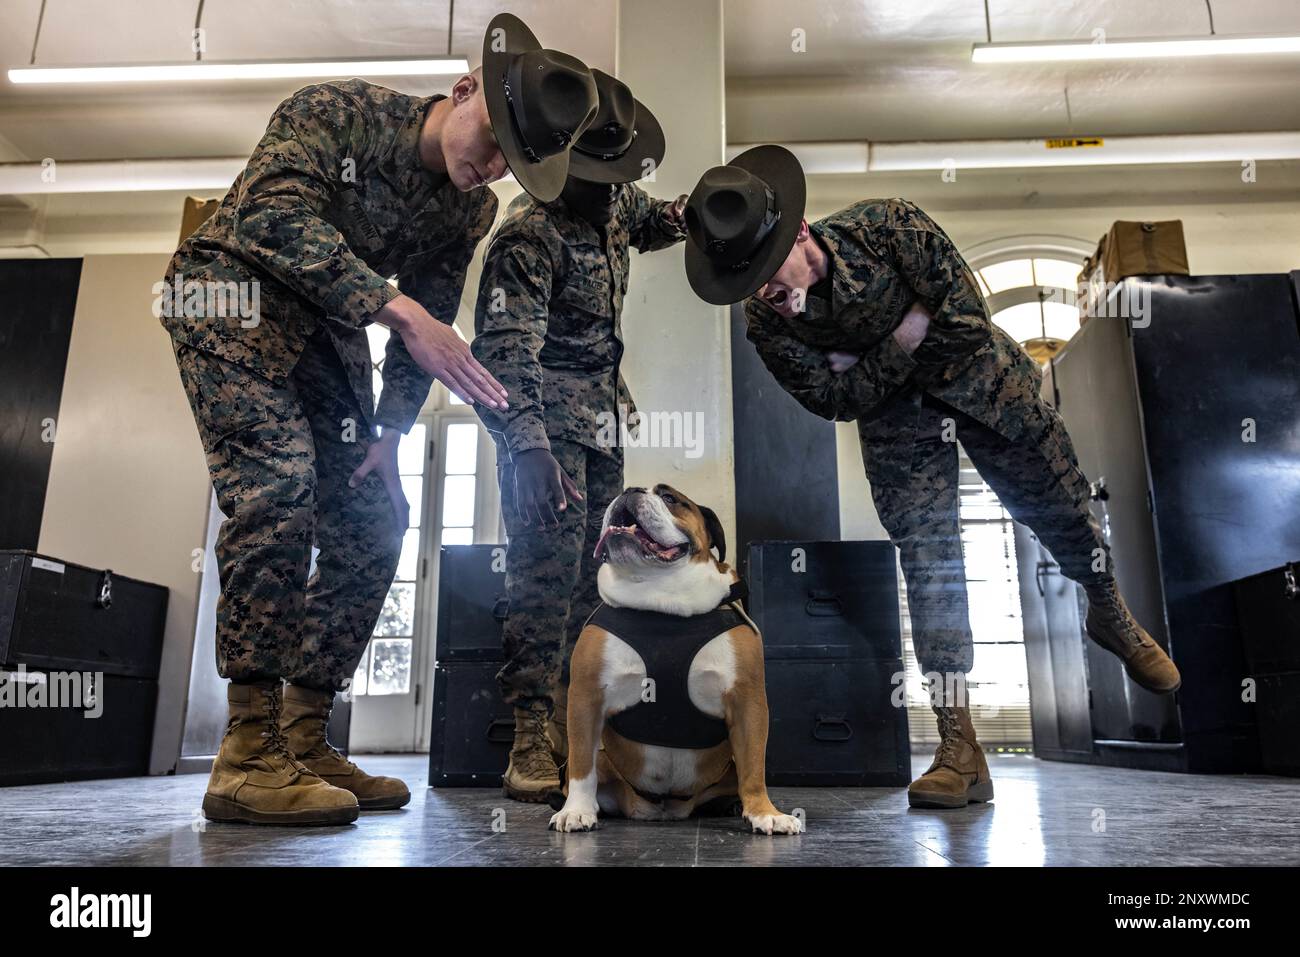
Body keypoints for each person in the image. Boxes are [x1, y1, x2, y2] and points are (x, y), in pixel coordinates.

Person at [162, 13, 599, 825]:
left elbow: (429, 321)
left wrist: (392, 433)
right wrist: (395, 310)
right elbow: (269, 218)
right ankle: (247, 753)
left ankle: (302, 732)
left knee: (374, 521)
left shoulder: (469, 213)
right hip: (227, 298)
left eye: (514, 160)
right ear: (464, 89)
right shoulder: (336, 111)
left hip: (324, 335)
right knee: (279, 487)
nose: (493, 165)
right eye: (494, 138)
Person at [682, 145, 1181, 809]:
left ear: (798, 233)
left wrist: (865, 362)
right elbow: (835, 400)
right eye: (753, 289)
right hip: (898, 432)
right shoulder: (765, 323)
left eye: (771, 276)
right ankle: (960, 745)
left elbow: (965, 322)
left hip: (989, 387)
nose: (770, 299)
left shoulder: (891, 226)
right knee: (931, 566)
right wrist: (904, 336)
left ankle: (1110, 611)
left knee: (1061, 506)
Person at [471, 70, 688, 802]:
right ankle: (530, 733)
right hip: (544, 436)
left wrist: (698, 215)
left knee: (597, 582)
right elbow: (503, 348)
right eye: (599, 177)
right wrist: (525, 447)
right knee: (542, 577)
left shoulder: (615, 200)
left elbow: (652, 221)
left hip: (601, 426)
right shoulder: (527, 239)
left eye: (620, 176)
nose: (612, 190)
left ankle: (573, 726)